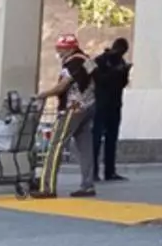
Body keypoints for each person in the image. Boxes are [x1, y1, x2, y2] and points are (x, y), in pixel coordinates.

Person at [42, 35, 96, 198]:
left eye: (62, 49)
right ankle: (88, 186)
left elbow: (62, 86)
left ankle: (47, 187)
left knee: (56, 144)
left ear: (71, 48)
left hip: (72, 108)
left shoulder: (73, 63)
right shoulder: (88, 60)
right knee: (85, 147)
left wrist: (42, 95)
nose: (59, 52)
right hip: (89, 107)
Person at [87, 34, 133, 187]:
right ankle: (93, 171)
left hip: (115, 104)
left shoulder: (120, 61)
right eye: (120, 50)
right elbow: (99, 80)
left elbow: (122, 84)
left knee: (112, 139)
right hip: (101, 105)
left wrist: (124, 72)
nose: (121, 54)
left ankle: (110, 171)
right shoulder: (101, 60)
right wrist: (115, 71)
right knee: (96, 138)